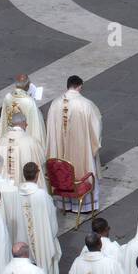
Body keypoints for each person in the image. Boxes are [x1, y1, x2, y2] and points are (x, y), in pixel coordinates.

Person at [44, 76, 102, 212]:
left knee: (62, 167)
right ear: (80, 86)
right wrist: (92, 144)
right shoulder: (86, 104)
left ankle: (64, 203)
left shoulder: (55, 103)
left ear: (67, 86)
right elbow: (96, 127)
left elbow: (50, 128)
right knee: (82, 166)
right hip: (80, 148)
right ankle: (84, 206)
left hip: (60, 149)